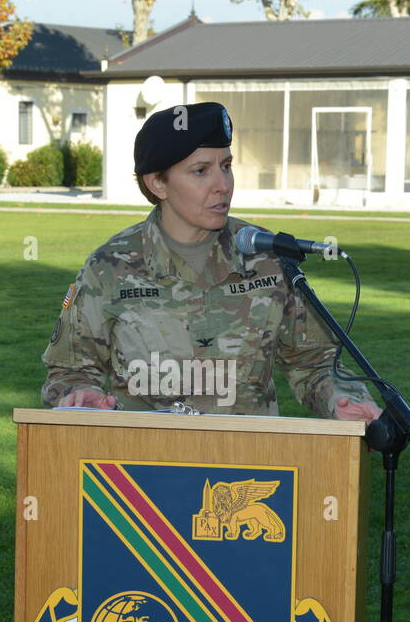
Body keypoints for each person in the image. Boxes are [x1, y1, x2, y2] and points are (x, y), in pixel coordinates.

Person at [41, 101, 381, 422]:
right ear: (158, 183)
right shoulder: (109, 267)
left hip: (247, 465)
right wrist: (80, 392)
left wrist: (340, 398)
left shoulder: (267, 257)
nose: (223, 185)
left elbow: (315, 363)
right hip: (142, 470)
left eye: (226, 166)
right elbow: (70, 369)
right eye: (201, 171)